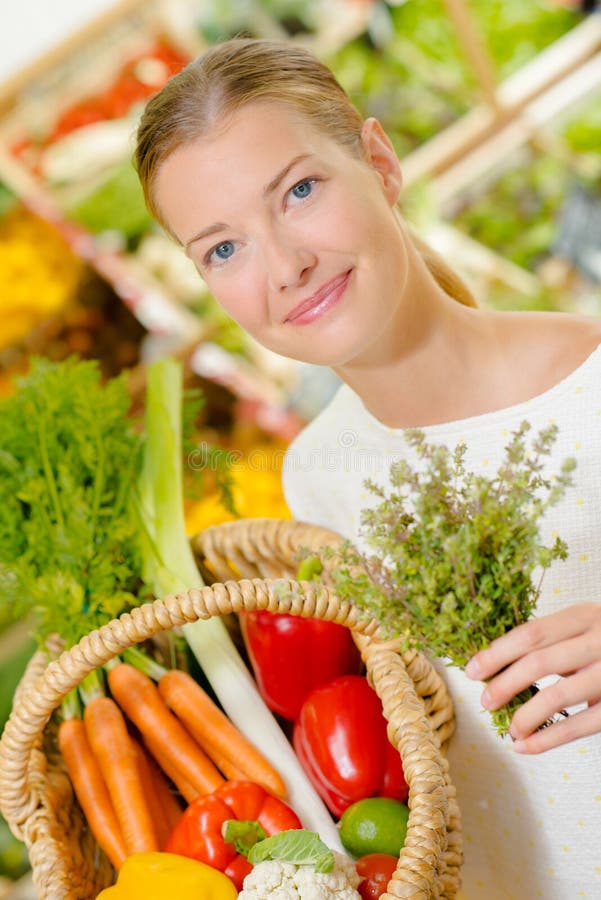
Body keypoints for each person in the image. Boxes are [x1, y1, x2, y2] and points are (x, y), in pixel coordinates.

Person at [135, 38, 601, 899]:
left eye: (299, 192)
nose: (284, 266)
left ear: (379, 164)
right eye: (222, 249)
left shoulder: (590, 384)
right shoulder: (317, 476)